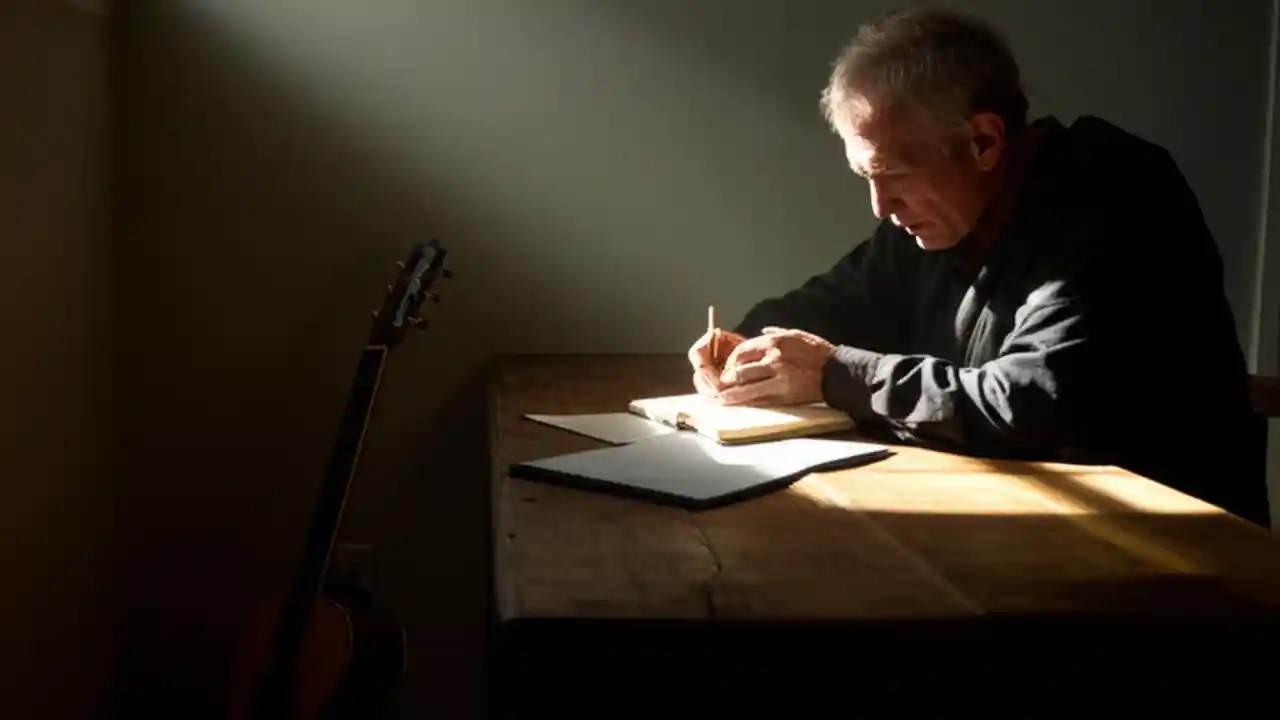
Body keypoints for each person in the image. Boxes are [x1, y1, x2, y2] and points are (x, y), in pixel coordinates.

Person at [686, 8, 1270, 526]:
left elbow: (1029, 402)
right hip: (1023, 524)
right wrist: (750, 347)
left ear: (984, 143)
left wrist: (835, 373)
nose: (880, 207)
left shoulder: (1115, 199)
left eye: (893, 176)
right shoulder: (933, 221)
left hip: (1178, 569)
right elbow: (826, 308)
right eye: (867, 178)